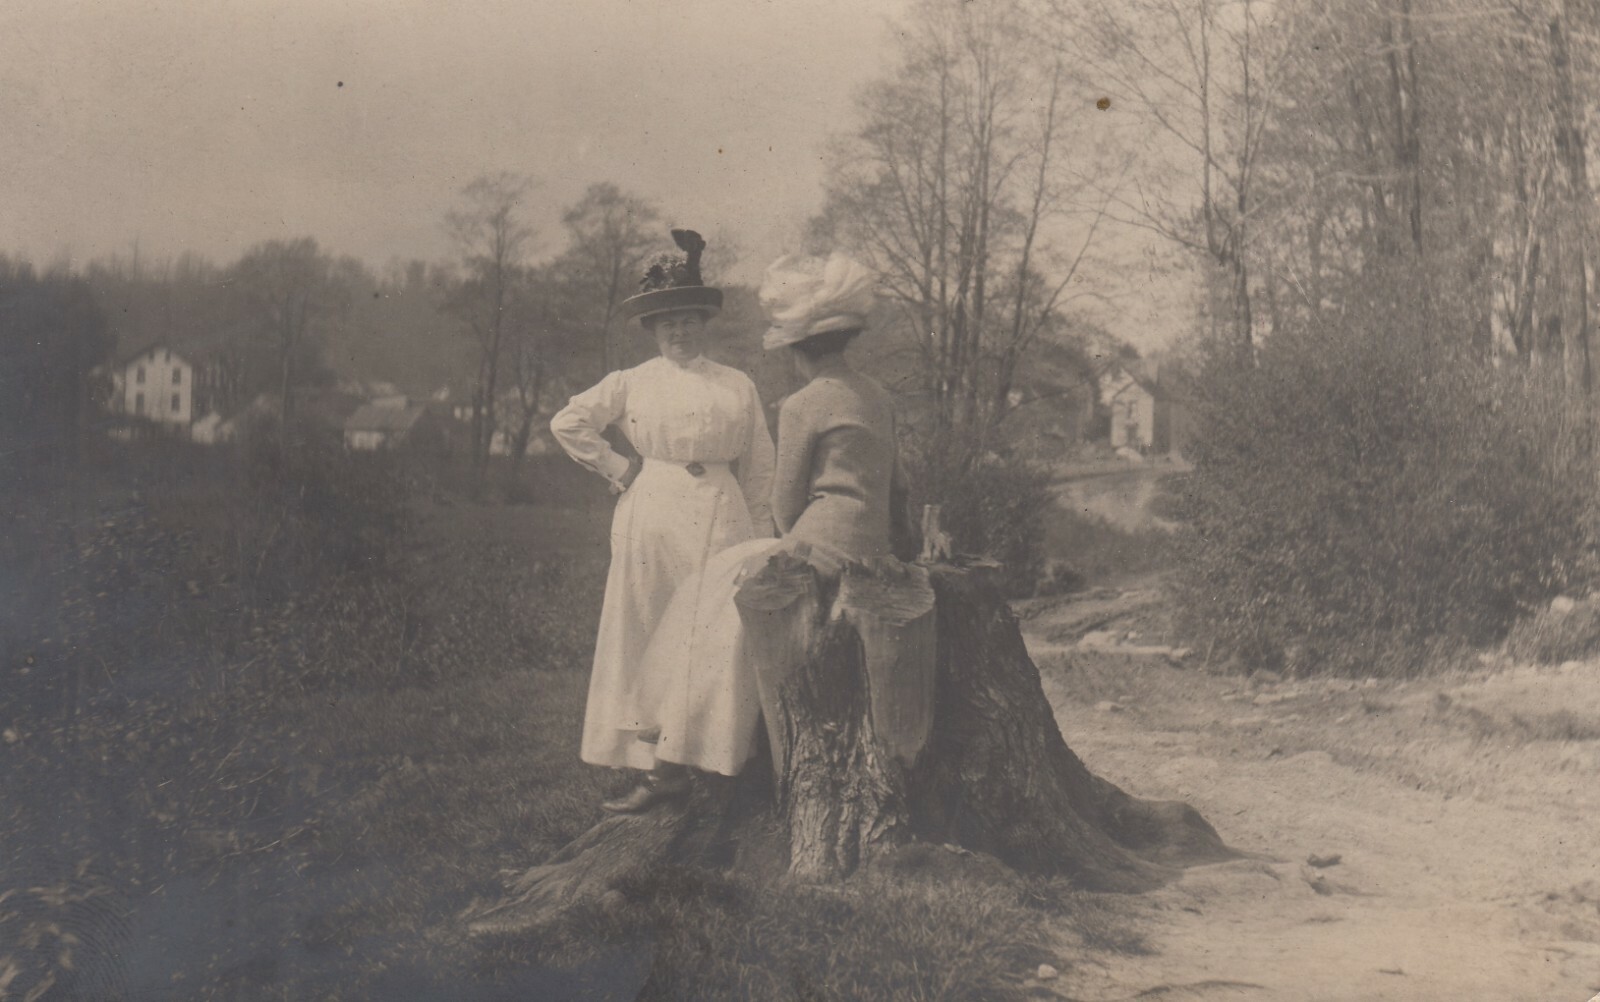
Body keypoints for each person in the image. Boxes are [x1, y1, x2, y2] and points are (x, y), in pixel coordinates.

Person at [603, 251, 914, 812]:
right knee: (719, 601)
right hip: (872, 544)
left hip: (817, 542)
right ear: (845, 340)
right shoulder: (880, 397)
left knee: (709, 610)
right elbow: (900, 488)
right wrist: (893, 544)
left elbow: (786, 499)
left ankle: (672, 764)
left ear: (798, 351)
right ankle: (700, 753)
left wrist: (787, 546)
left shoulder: (802, 403)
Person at [550, 229, 775, 811]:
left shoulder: (737, 384)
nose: (680, 331)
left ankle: (716, 759)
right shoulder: (632, 383)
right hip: (653, 511)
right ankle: (656, 771)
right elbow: (568, 423)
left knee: (717, 632)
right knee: (651, 626)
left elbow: (760, 464)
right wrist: (619, 469)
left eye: (690, 320)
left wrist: (756, 538)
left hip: (723, 514)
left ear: (705, 324)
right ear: (653, 329)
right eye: (668, 322)